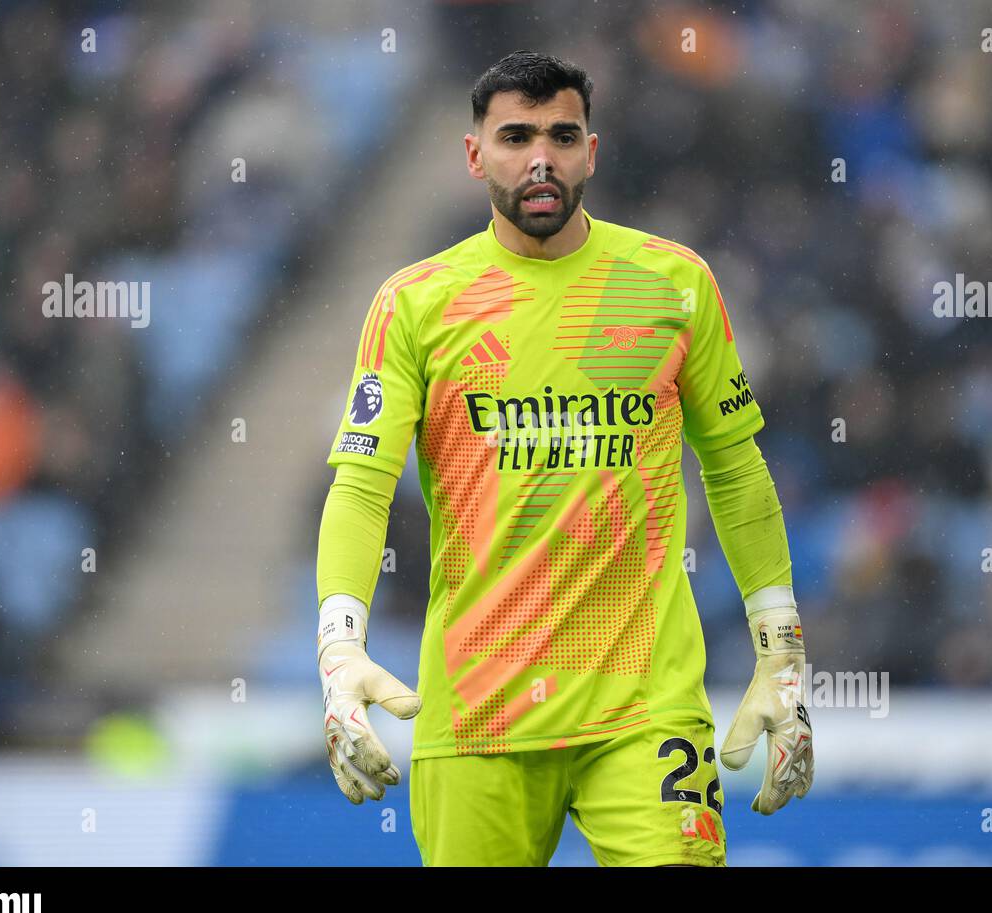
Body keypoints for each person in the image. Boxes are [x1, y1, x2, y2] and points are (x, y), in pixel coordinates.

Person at [314, 50, 812, 867]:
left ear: (592, 151)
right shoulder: (416, 302)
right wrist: (340, 650)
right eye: (515, 136)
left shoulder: (672, 284)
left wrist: (783, 654)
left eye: (561, 135)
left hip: (646, 711)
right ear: (475, 155)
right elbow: (363, 486)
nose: (540, 156)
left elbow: (736, 470)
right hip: (476, 715)